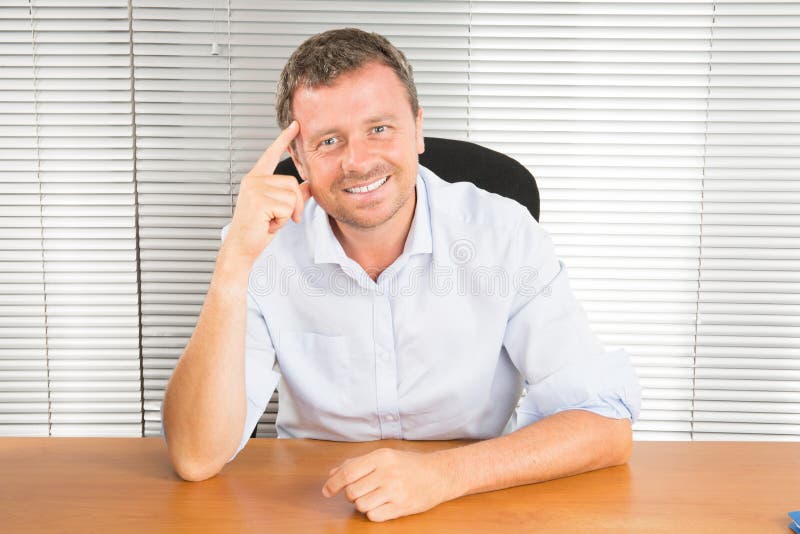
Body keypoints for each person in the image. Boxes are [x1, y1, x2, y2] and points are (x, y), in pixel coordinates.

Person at [161, 28, 641, 522]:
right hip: (315, 503)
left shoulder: (503, 234)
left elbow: (604, 424)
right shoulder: (262, 245)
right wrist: (232, 268)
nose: (358, 161)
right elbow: (196, 458)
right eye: (329, 140)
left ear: (417, 128)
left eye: (380, 128)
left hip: (475, 499)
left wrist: (442, 475)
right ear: (299, 159)